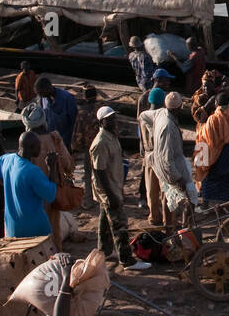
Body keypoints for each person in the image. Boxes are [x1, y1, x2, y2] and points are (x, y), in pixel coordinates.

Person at [87, 106, 148, 270]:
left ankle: (104, 251)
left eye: (114, 117)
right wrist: (111, 195)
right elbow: (99, 171)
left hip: (114, 186)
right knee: (120, 224)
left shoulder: (111, 136)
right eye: (110, 118)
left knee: (105, 223)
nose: (114, 121)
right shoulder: (100, 142)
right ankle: (126, 259)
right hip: (109, 190)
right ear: (102, 121)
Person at [0, 131, 56, 240]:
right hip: (35, 230)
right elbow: (51, 195)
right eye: (38, 146)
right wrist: (51, 167)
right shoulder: (32, 171)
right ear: (31, 148)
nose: (40, 148)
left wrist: (5, 183)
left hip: (12, 229)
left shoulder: (7, 159)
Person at [23, 102, 75, 250]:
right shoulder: (54, 138)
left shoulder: (26, 142)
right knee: (54, 226)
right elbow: (67, 164)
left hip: (33, 192)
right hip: (53, 190)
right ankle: (56, 254)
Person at [148, 92, 198, 228]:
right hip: (170, 167)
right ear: (178, 108)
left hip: (166, 164)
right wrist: (177, 177)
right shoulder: (168, 127)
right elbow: (166, 157)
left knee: (167, 196)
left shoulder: (161, 114)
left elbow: (143, 116)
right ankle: (182, 227)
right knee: (189, 198)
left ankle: (170, 225)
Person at [139, 88, 168, 230]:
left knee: (150, 188)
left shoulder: (142, 116)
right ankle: (166, 217)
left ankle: (153, 216)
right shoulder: (162, 115)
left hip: (148, 154)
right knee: (164, 187)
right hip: (160, 154)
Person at [72, 85, 102, 210]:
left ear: (84, 97)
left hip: (88, 148)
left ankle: (89, 200)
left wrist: (75, 147)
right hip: (102, 146)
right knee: (102, 173)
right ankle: (103, 199)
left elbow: (78, 133)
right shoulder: (101, 110)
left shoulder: (82, 113)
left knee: (88, 175)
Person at [35, 78, 79, 150]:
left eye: (41, 93)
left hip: (66, 142)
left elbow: (74, 122)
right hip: (51, 142)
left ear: (48, 88)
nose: (40, 96)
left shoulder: (67, 98)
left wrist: (72, 143)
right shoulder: (42, 99)